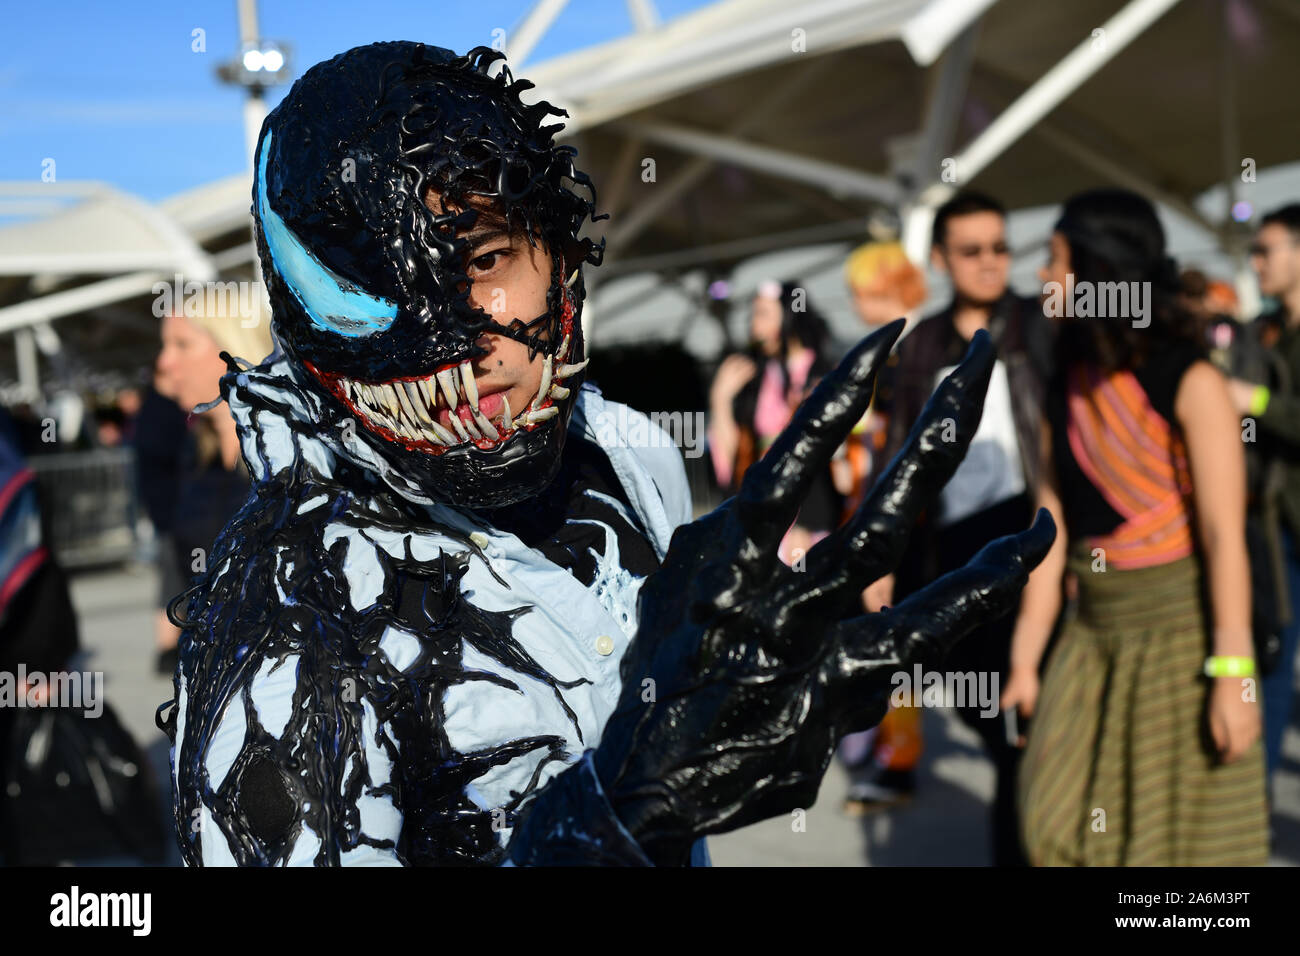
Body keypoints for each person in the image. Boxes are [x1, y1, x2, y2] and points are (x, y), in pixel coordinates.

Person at [162, 41, 1053, 867]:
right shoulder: (285, 619)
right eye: (377, 292)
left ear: (558, 252)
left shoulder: (629, 448)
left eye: (483, 259)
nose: (455, 340)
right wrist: (608, 823)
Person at [1006, 188, 1268, 866]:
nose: (1043, 276)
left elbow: (1222, 538)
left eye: (1056, 259)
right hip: (1090, 631)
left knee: (1164, 842)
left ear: (1100, 271)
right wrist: (1027, 658)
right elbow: (1051, 526)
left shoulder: (1191, 382)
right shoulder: (1063, 382)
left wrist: (1233, 679)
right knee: (1048, 823)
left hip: (1180, 634)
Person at [857, 193, 1052, 865]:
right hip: (957, 559)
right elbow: (895, 460)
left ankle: (1025, 844)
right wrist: (876, 562)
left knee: (1022, 732)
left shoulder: (1036, 328)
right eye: (973, 250)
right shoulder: (924, 348)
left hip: (1038, 549)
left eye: (1001, 247)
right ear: (940, 259)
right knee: (989, 711)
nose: (992, 262)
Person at [834, 240, 929, 815]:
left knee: (900, 641)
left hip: (906, 524)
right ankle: (891, 750)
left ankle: (899, 759)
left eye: (859, 292)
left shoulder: (912, 350)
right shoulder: (898, 344)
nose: (853, 304)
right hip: (884, 517)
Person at [151, 298, 274, 675]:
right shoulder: (196, 454)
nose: (164, 363)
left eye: (182, 345)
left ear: (233, 346)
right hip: (217, 679)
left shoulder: (294, 456)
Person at [1225, 203, 1300, 786]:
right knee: (1269, 665)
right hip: (1275, 533)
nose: (1255, 262)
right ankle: (1257, 817)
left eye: (1265, 249)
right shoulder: (1261, 332)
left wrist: (1252, 402)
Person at [708, 279, 840, 564]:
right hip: (758, 514)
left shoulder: (822, 373)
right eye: (754, 313)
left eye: (764, 314)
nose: (754, 324)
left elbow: (819, 454)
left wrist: (806, 520)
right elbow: (734, 458)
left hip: (808, 520)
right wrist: (720, 400)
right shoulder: (752, 376)